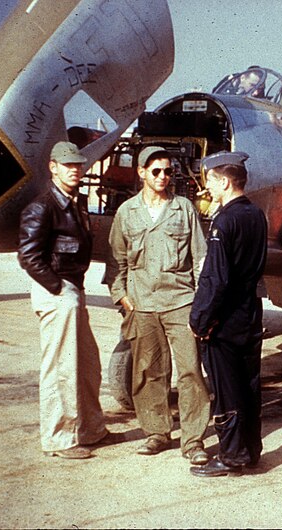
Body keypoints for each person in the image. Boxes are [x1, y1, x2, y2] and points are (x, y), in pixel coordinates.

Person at [107, 146, 211, 463]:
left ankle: (193, 441)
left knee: (191, 371)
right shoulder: (127, 212)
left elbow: (200, 258)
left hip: (180, 300)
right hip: (142, 302)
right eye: (156, 171)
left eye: (168, 171)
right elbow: (116, 262)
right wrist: (122, 297)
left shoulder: (184, 209)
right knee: (149, 372)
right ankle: (156, 432)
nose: (163, 177)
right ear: (141, 173)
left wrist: (201, 303)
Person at [17, 141, 108, 459]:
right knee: (61, 368)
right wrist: (58, 289)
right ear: (52, 167)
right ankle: (59, 438)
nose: (75, 170)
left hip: (72, 290)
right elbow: (28, 256)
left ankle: (90, 429)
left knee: (86, 365)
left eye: (78, 165)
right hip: (58, 292)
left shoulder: (75, 203)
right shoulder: (43, 206)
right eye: (68, 165)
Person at [189, 151, 268, 478]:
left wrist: (200, 320)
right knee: (249, 385)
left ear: (224, 181)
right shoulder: (257, 215)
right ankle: (250, 450)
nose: (208, 186)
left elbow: (216, 279)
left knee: (227, 388)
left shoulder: (225, 220)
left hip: (225, 318)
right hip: (250, 312)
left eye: (210, 179)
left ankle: (232, 455)